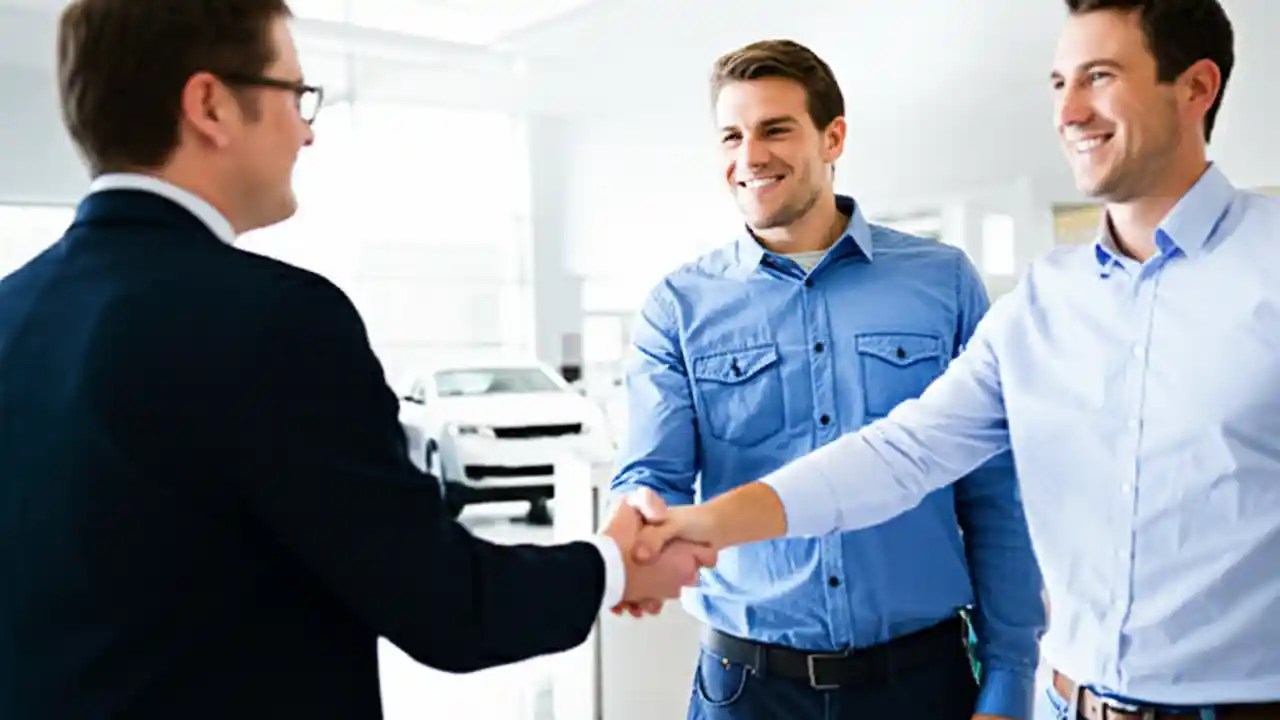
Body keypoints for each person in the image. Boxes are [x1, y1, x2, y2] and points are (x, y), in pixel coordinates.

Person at [0, 2, 713, 718]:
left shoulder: (11, 313)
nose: (307, 131)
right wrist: (617, 564)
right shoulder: (275, 318)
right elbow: (444, 605)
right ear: (210, 104)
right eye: (295, 94)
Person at [626, 1, 1280, 719]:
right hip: (1071, 705)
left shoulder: (1267, 265)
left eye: (1099, 76)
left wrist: (1003, 672)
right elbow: (900, 453)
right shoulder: (1045, 301)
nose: (1069, 111)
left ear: (1195, 87)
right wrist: (705, 524)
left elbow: (991, 497)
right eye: (1058, 83)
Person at [611, 38, 1044, 720]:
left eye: (775, 129)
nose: (750, 157)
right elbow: (652, 476)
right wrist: (635, 535)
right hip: (748, 688)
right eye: (732, 135)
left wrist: (1011, 675)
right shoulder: (679, 306)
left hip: (920, 681)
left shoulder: (943, 281)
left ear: (833, 136)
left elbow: (995, 494)